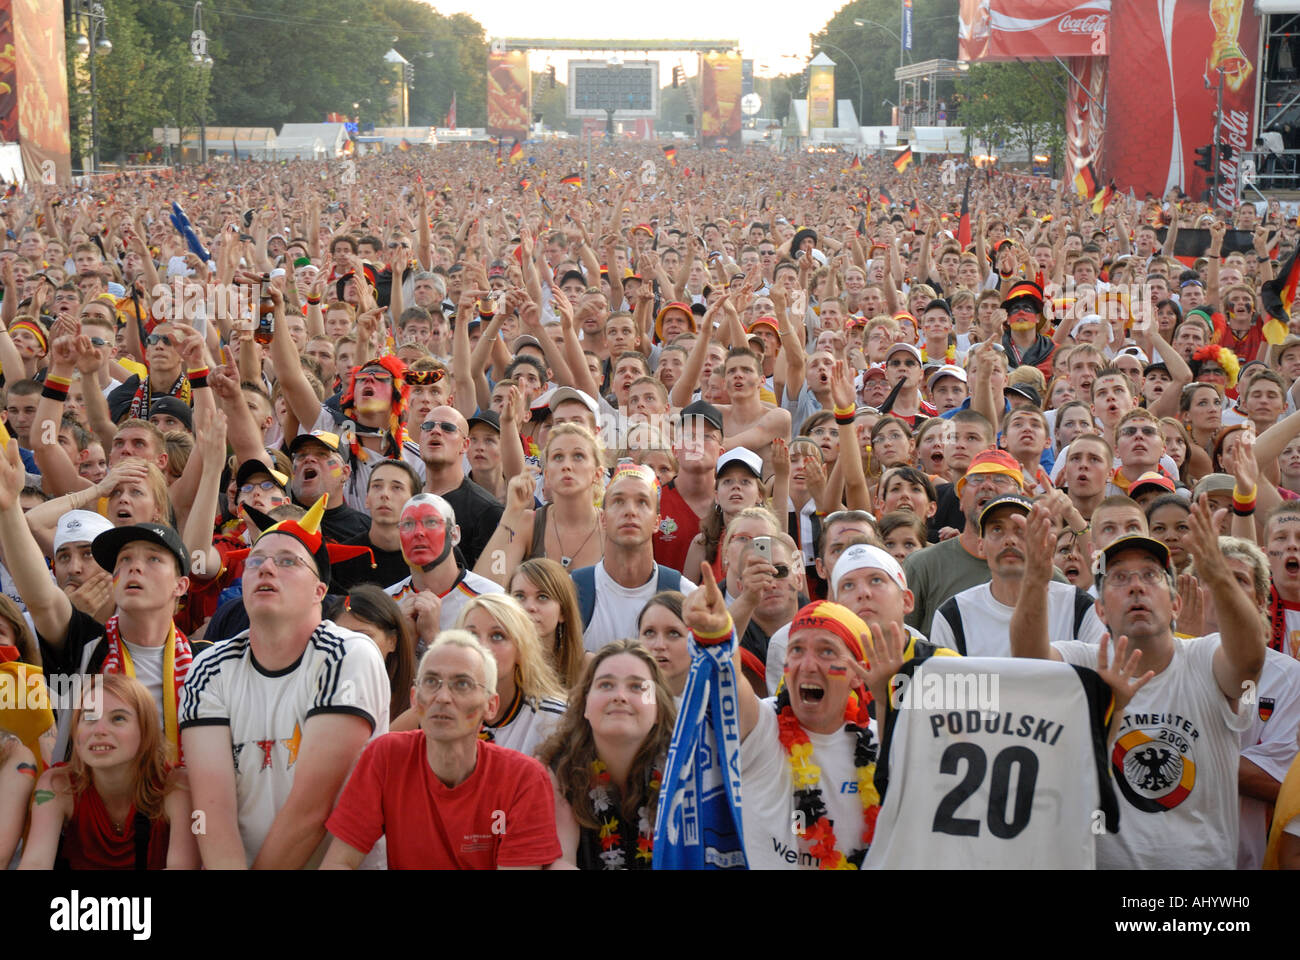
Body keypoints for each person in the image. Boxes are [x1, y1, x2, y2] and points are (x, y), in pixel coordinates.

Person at [1011, 498, 1267, 869]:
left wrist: (1217, 573)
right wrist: (1035, 575)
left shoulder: (1202, 658)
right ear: (1099, 610)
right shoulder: (1085, 662)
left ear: (1176, 604)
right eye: (1118, 577)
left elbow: (1249, 660)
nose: (1136, 587)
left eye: (1150, 575)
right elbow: (1029, 662)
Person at [181, 496, 391, 869]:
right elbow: (213, 811)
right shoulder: (208, 667)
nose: (266, 569)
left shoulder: (347, 654)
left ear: (319, 592)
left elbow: (311, 811)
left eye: (288, 562)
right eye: (256, 561)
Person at [321, 631, 561, 869]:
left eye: (462, 684)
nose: (443, 697)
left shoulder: (523, 779)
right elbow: (339, 862)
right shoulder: (386, 756)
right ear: (415, 700)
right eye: (431, 681)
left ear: (490, 705)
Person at [19, 674, 198, 869]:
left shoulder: (176, 786)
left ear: (146, 730)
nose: (99, 730)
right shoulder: (57, 784)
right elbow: (35, 864)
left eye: (118, 718)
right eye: (88, 717)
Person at [536, 639, 675, 870]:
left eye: (637, 687)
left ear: (658, 709)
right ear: (585, 706)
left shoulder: (683, 770)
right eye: (606, 685)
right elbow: (561, 861)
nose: (619, 696)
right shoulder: (556, 770)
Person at [930, 493, 1101, 656]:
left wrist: (1073, 515)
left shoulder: (1078, 606)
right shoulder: (953, 615)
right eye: (997, 529)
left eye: (1021, 530)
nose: (1010, 540)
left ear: (1041, 540)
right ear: (981, 545)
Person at [572, 463, 695, 650]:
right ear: (603, 519)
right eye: (619, 501)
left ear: (657, 521)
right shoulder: (571, 593)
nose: (630, 511)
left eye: (642, 502)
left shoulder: (687, 596)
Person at [387, 493, 503, 655]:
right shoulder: (386, 603)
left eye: (431, 522)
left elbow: (494, 675)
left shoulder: (490, 600)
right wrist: (408, 640)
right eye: (408, 524)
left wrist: (432, 636)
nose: (418, 532)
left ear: (454, 535)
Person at [326, 584, 417, 724]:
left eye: (364, 637)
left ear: (392, 641)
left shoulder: (421, 702)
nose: (350, 646)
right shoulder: (315, 696)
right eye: (340, 637)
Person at [509, 558, 586, 690]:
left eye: (543, 597)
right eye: (519, 596)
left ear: (563, 612)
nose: (530, 607)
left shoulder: (587, 666)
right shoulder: (496, 663)